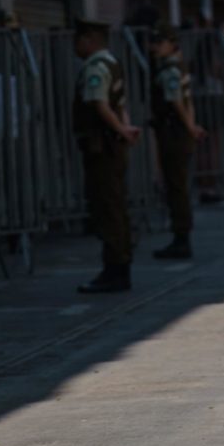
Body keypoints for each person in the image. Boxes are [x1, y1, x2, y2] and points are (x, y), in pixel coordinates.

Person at [73, 19, 142, 293]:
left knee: (108, 208)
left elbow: (101, 105)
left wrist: (121, 130)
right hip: (112, 146)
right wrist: (124, 128)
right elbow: (119, 104)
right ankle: (118, 267)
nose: (76, 46)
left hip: (102, 149)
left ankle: (115, 270)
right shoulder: (112, 63)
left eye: (78, 40)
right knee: (115, 207)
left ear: (89, 39)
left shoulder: (96, 66)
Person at [148, 24, 207, 260]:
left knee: (176, 186)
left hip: (173, 134)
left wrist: (190, 127)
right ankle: (180, 236)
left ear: (171, 44)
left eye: (160, 43)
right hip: (178, 132)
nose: (155, 48)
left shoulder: (170, 70)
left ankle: (181, 238)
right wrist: (192, 127)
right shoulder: (176, 68)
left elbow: (177, 103)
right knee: (177, 185)